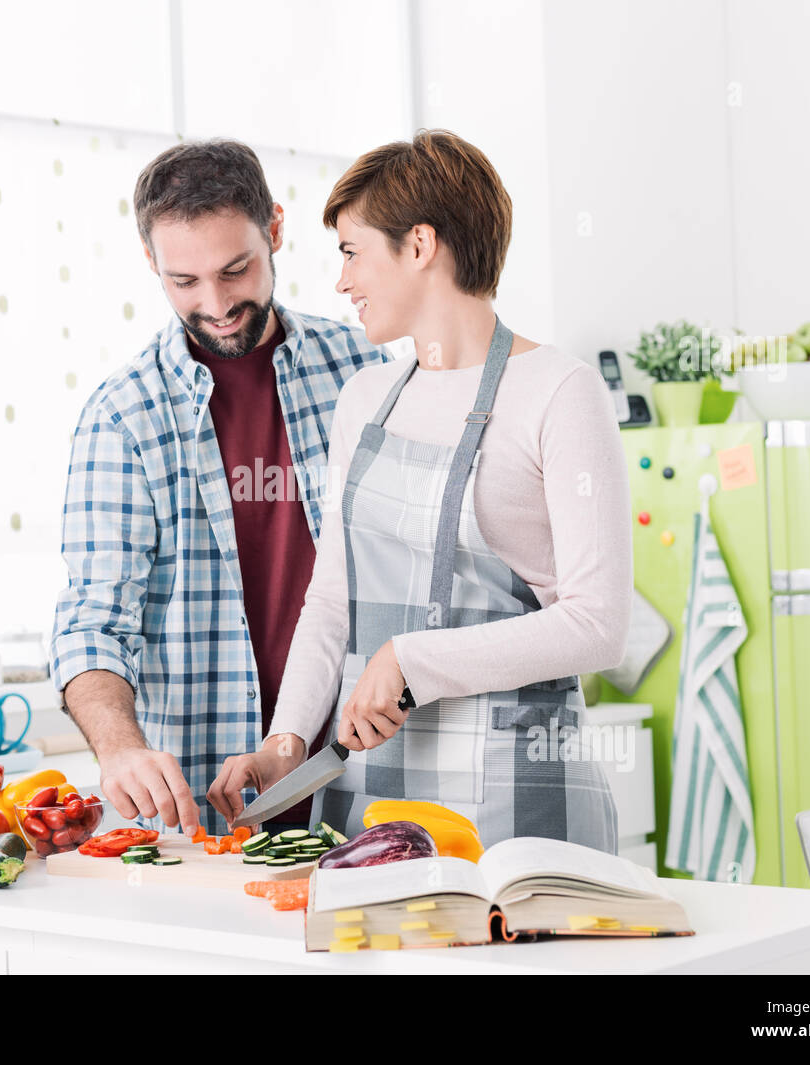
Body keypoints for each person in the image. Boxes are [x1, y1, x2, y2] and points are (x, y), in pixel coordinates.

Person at [207, 130, 631, 852]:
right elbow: (333, 600)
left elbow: (599, 624)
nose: (341, 282)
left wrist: (412, 659)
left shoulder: (561, 392)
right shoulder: (365, 398)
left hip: (517, 803)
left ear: (421, 245)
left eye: (351, 251)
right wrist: (286, 740)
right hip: (370, 790)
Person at [51, 139, 389, 836]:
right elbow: (92, 622)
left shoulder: (363, 368)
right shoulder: (123, 416)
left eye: (236, 270)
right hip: (208, 815)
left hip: (365, 785)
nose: (216, 303)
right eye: (185, 281)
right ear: (152, 262)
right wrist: (120, 748)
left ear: (275, 229)